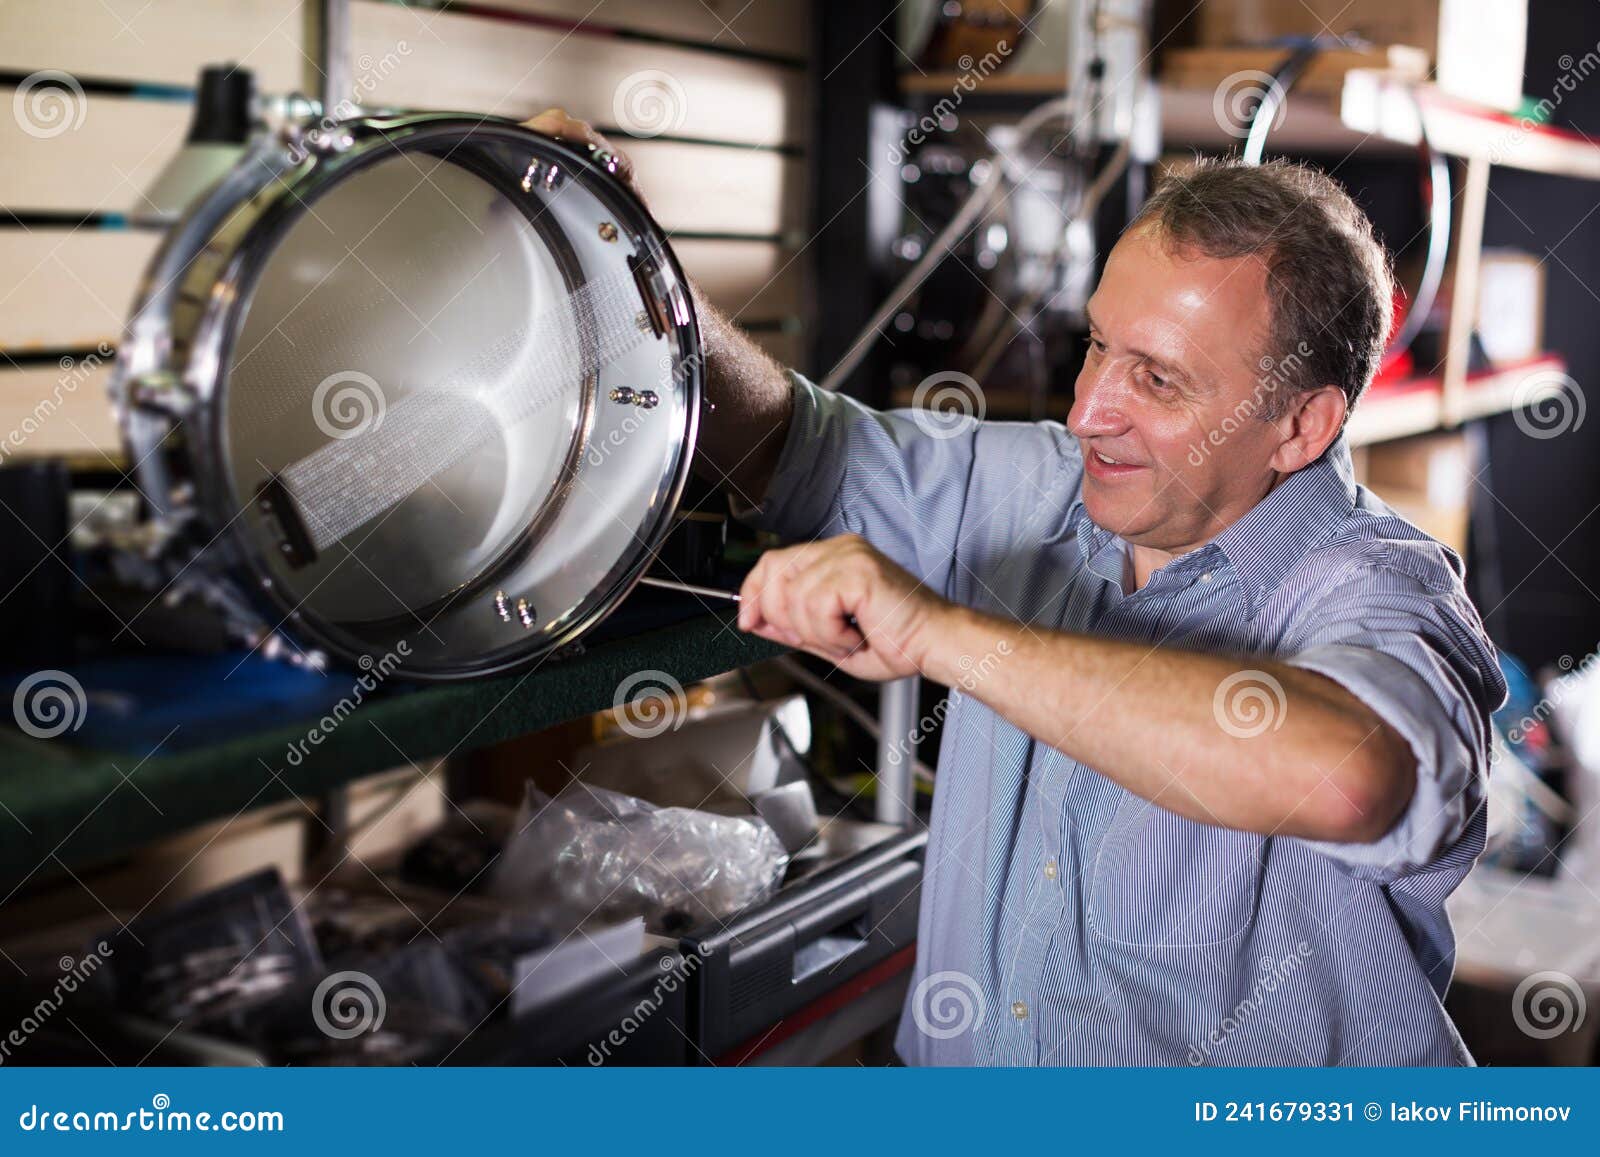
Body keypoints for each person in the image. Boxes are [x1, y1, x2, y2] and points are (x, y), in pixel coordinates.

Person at [527, 110, 1507, 1066]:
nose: (1088, 412)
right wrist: (636, 273)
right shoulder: (1043, 488)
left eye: (1157, 381)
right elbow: (794, 447)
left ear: (1300, 426)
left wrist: (943, 634)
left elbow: (1346, 775)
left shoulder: (1381, 589)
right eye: (1096, 346)